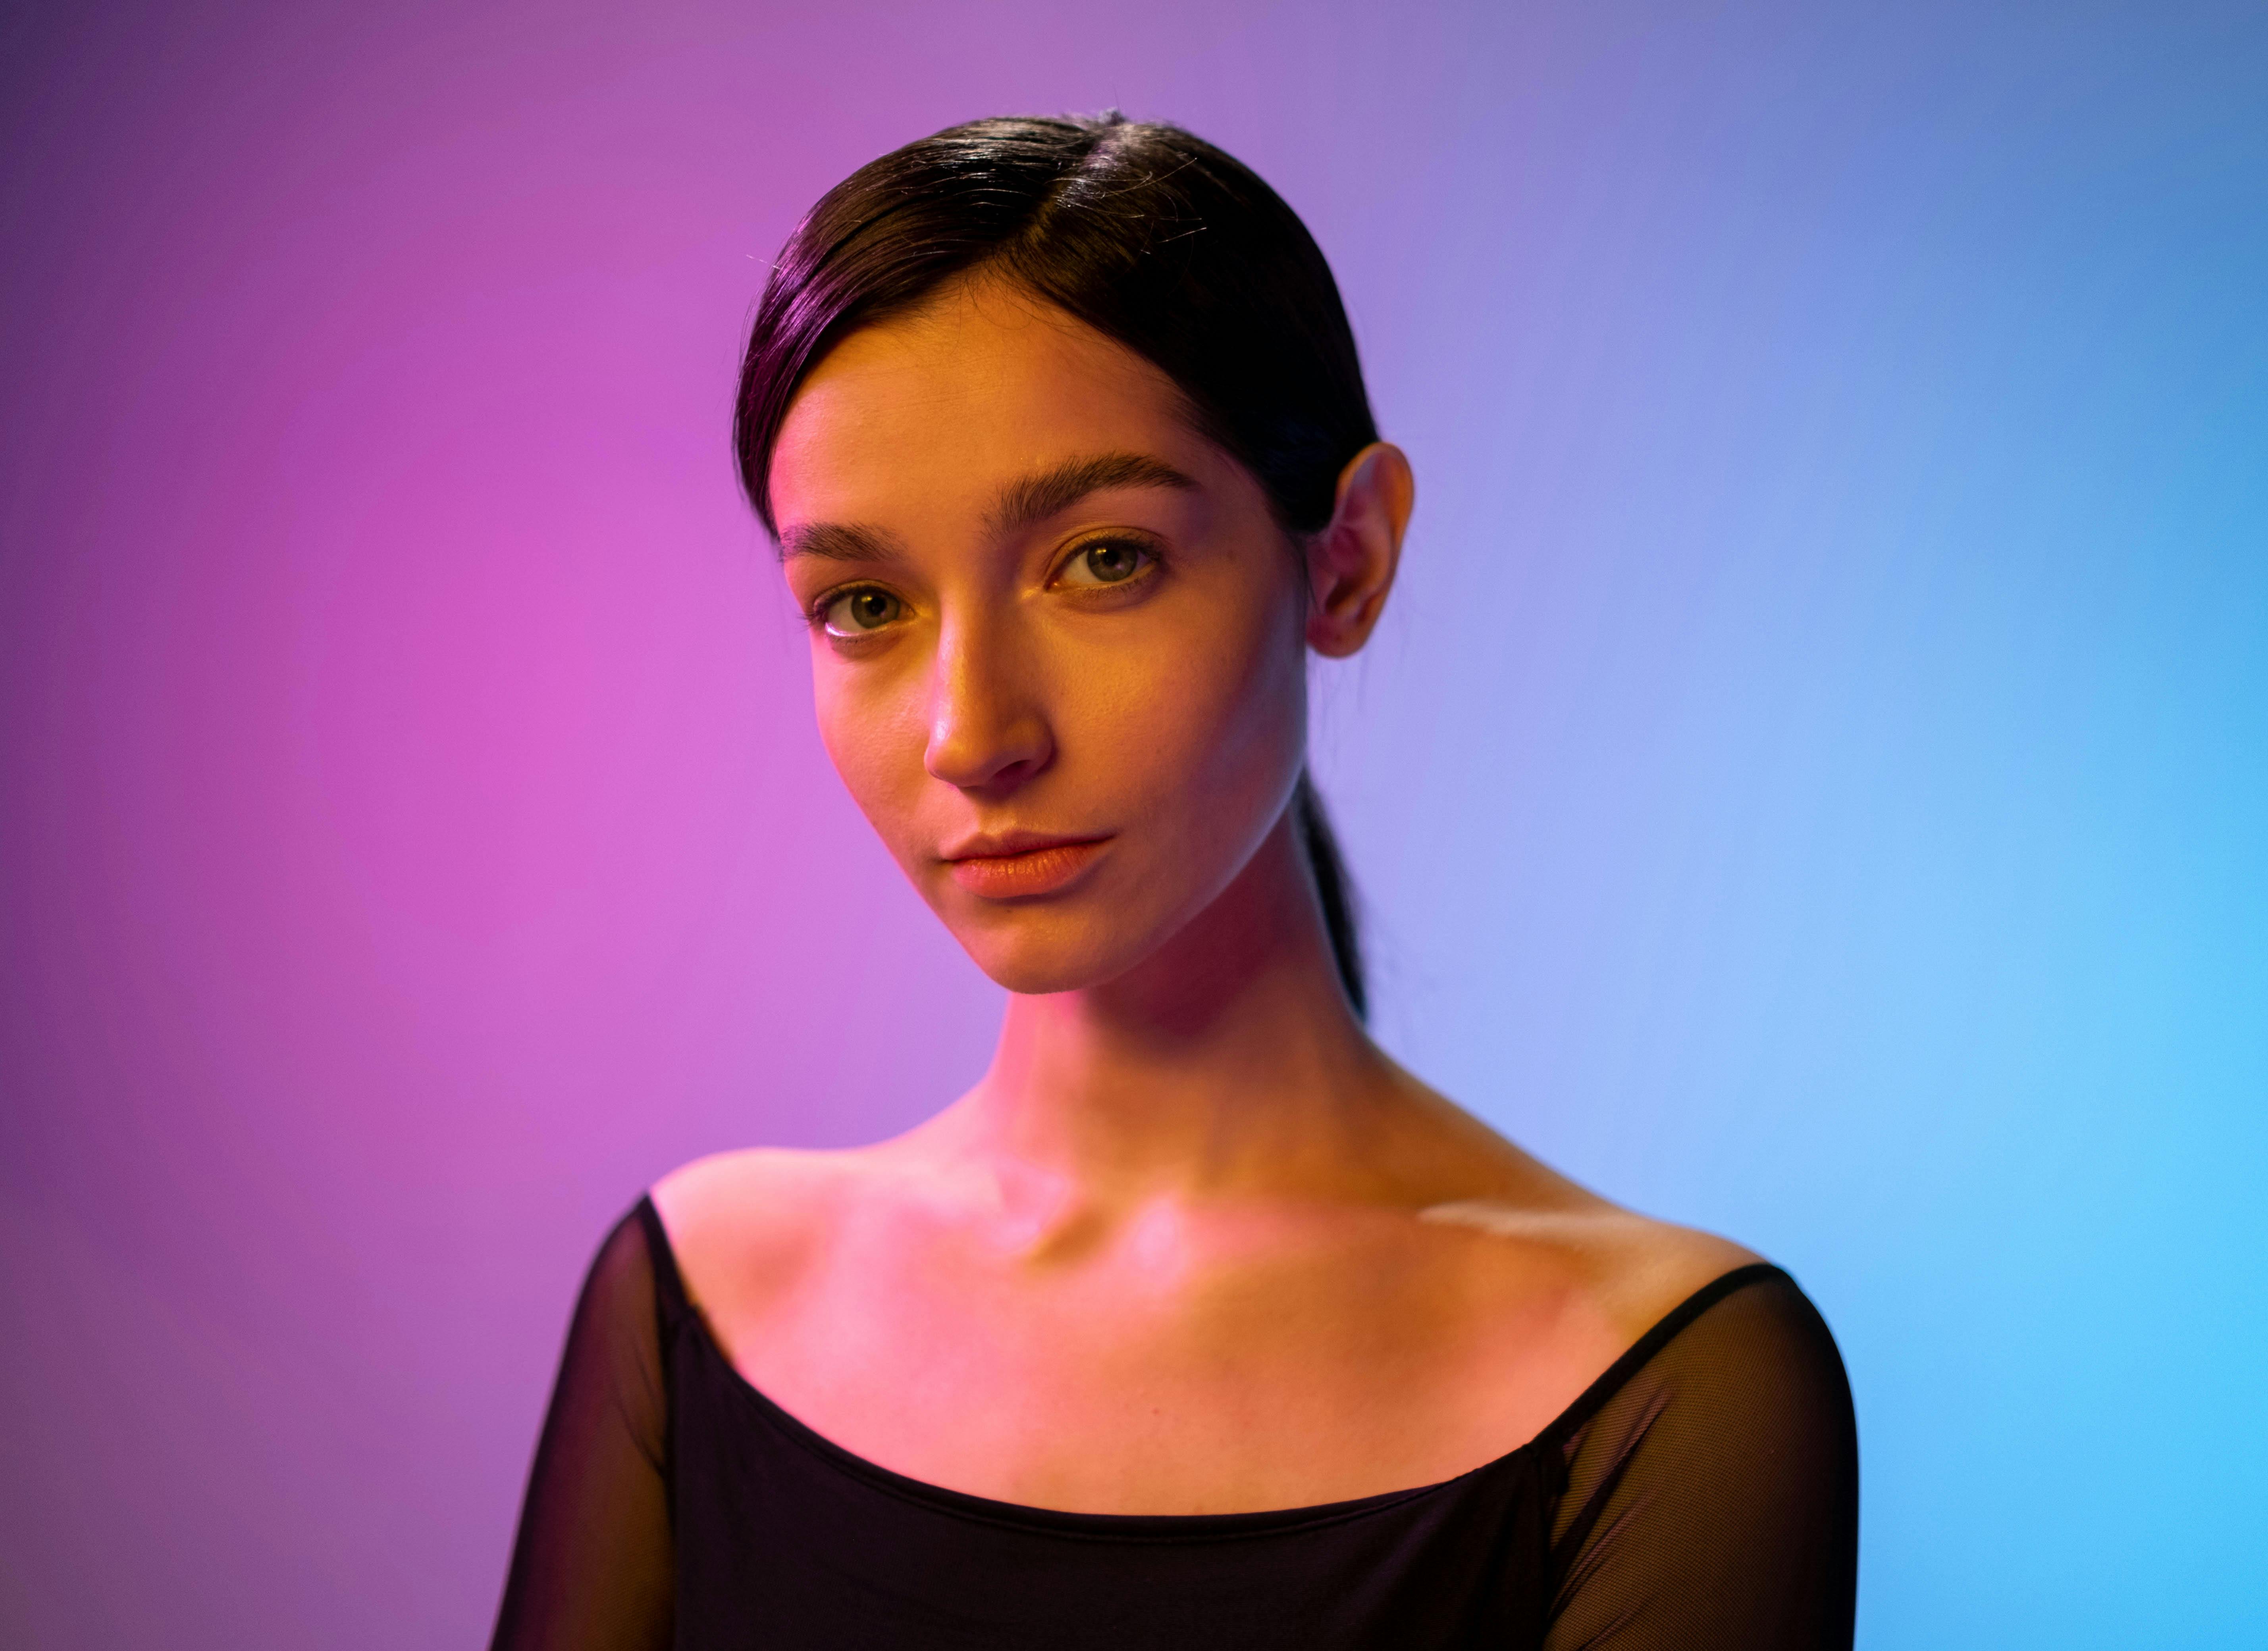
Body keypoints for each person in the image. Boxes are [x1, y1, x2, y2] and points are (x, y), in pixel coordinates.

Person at [490, 112, 1857, 1650]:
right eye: (864, 602)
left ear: (1345, 559)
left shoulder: (1668, 1377)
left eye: (1104, 560)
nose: (973, 734)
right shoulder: (698, 1299)